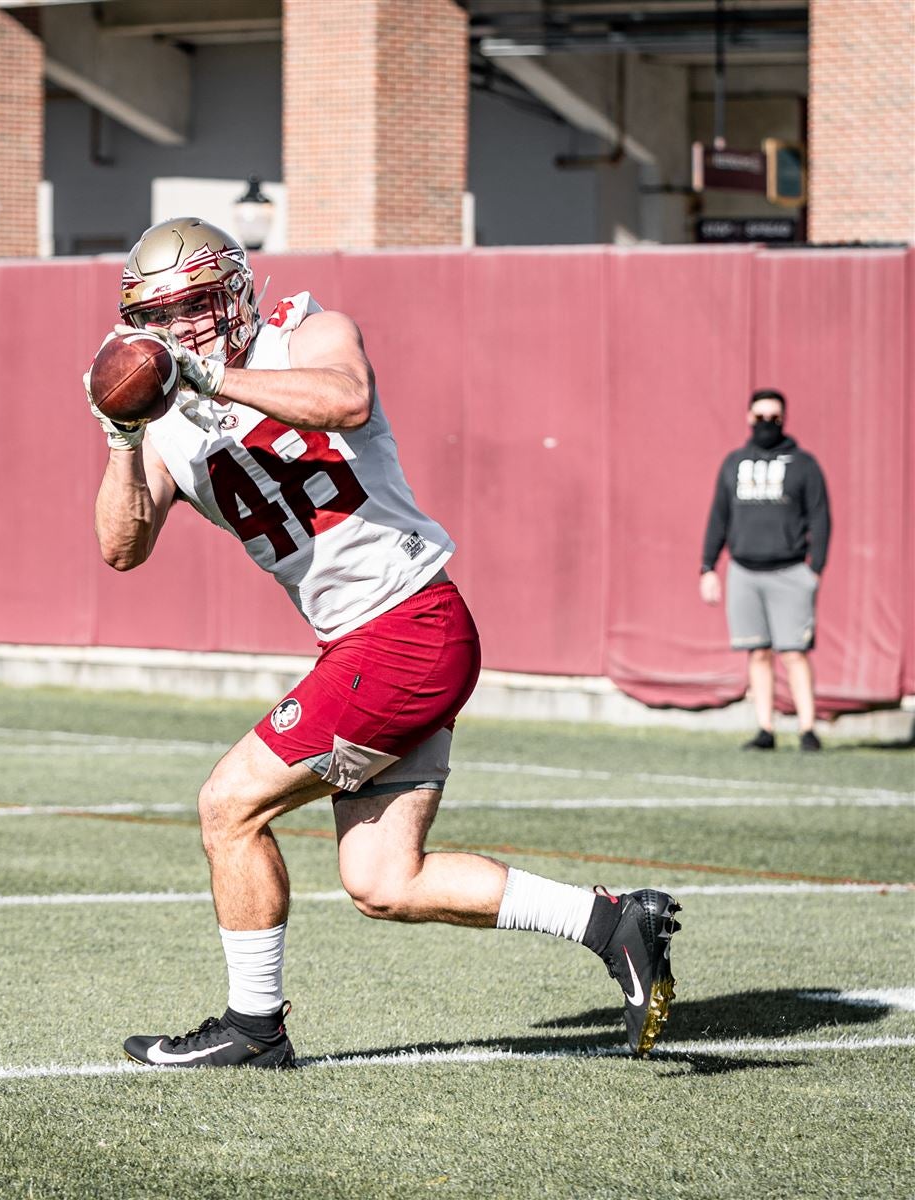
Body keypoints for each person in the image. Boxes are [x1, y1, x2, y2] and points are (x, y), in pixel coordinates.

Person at [85, 217, 680, 1068]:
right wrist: (123, 436)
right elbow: (121, 547)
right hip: (369, 642)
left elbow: (347, 397)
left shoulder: (305, 332)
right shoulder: (171, 426)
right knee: (383, 880)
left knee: (229, 805)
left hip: (404, 624)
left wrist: (212, 376)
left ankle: (253, 1031)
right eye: (159, 319)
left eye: (194, 308)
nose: (179, 331)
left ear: (236, 294)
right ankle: (613, 924)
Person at [700, 388, 831, 752]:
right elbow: (719, 517)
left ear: (784, 419)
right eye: (760, 417)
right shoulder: (734, 463)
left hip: (790, 570)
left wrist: (815, 568)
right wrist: (708, 566)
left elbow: (820, 517)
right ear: (748, 417)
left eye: (774, 417)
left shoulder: (803, 464)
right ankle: (765, 728)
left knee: (794, 652)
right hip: (744, 570)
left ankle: (807, 728)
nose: (767, 424)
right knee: (757, 651)